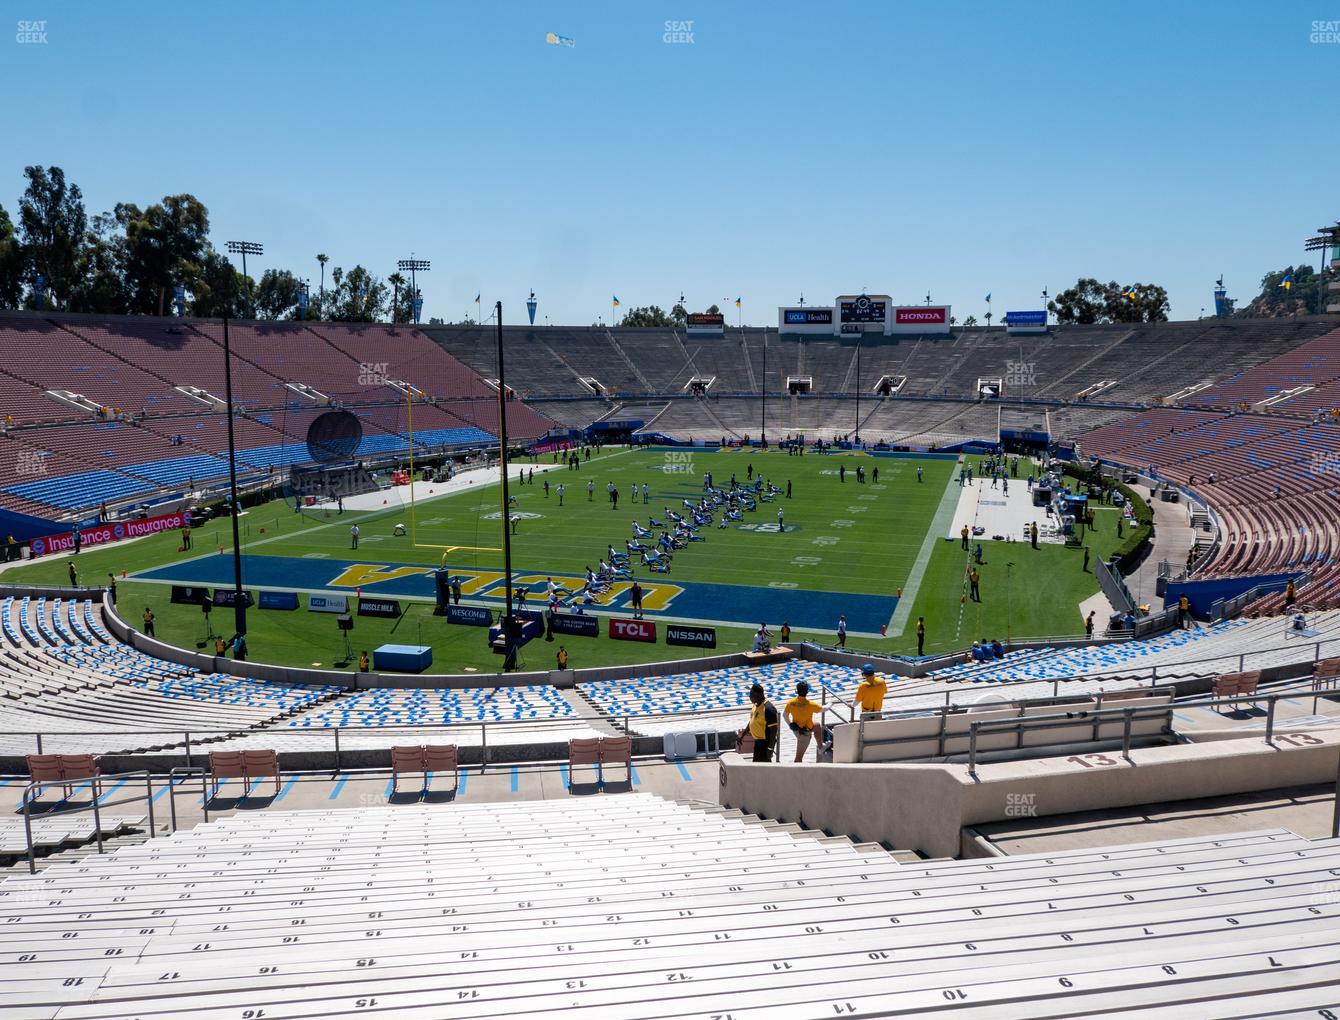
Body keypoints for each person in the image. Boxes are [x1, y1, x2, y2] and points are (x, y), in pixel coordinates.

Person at [784, 681, 822, 763]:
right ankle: (795, 775)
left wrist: (790, 724)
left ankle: (820, 748)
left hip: (797, 729)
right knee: (798, 758)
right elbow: (823, 709)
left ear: (797, 691)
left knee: (817, 726)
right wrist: (830, 704)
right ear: (807, 692)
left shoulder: (791, 702)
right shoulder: (810, 705)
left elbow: (785, 715)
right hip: (804, 733)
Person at [741, 683, 779, 762]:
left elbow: (774, 730)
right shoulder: (755, 705)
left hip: (765, 744)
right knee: (758, 769)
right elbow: (752, 720)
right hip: (758, 743)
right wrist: (743, 734)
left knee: (763, 770)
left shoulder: (768, 709)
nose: (749, 697)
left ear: (758, 695)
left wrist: (770, 748)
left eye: (751, 694)